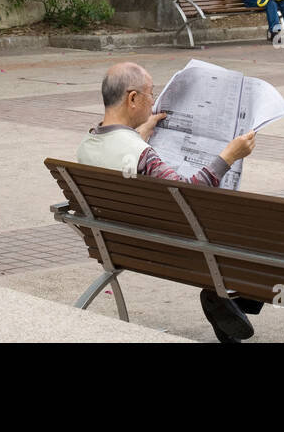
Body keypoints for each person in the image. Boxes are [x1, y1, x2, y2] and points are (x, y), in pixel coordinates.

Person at [77, 62, 260, 343]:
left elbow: (117, 151)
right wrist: (228, 157)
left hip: (121, 246)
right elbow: (187, 192)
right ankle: (222, 295)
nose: (153, 102)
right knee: (244, 224)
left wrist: (139, 135)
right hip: (176, 250)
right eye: (151, 94)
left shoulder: (86, 148)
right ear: (133, 98)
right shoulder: (141, 155)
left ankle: (229, 299)